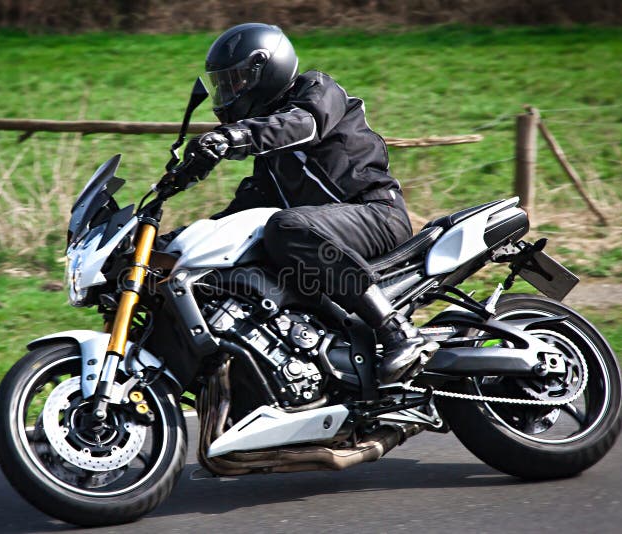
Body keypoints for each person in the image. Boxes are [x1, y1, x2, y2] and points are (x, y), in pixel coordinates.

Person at [180, 22, 437, 383]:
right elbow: (237, 216)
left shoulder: (317, 92)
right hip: (327, 235)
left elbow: (302, 124)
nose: (228, 91)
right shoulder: (270, 162)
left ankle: (398, 332)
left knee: (285, 227)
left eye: (236, 81)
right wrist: (176, 243)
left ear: (266, 68)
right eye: (223, 84)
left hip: (377, 215)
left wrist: (234, 136)